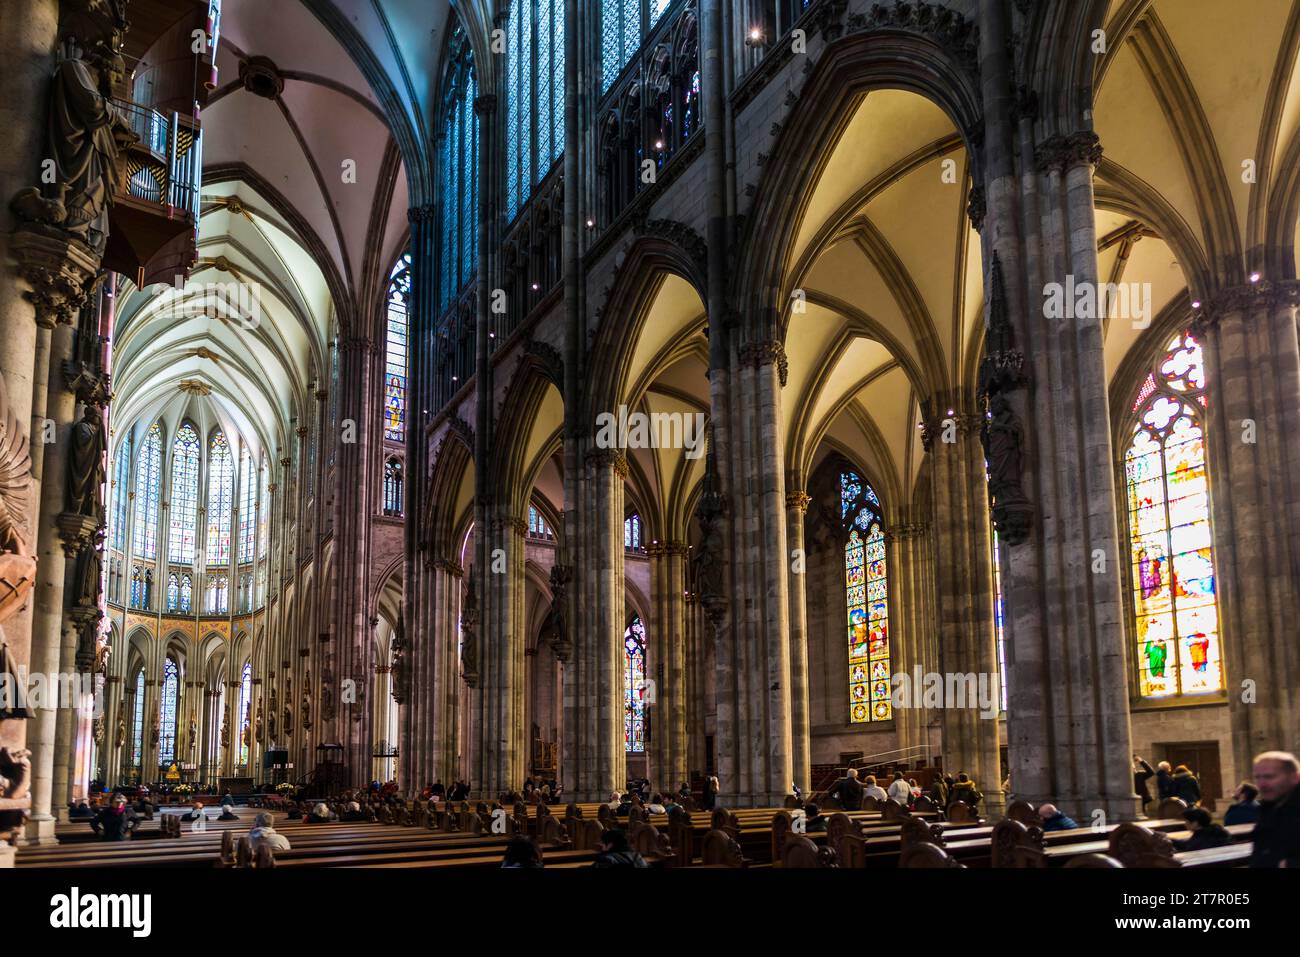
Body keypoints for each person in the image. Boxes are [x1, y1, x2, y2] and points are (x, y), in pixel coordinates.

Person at [1248, 750, 1300, 868]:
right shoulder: (1268, 807)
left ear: (1295, 777)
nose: (1262, 784)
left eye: (1269, 777)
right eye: (1257, 777)